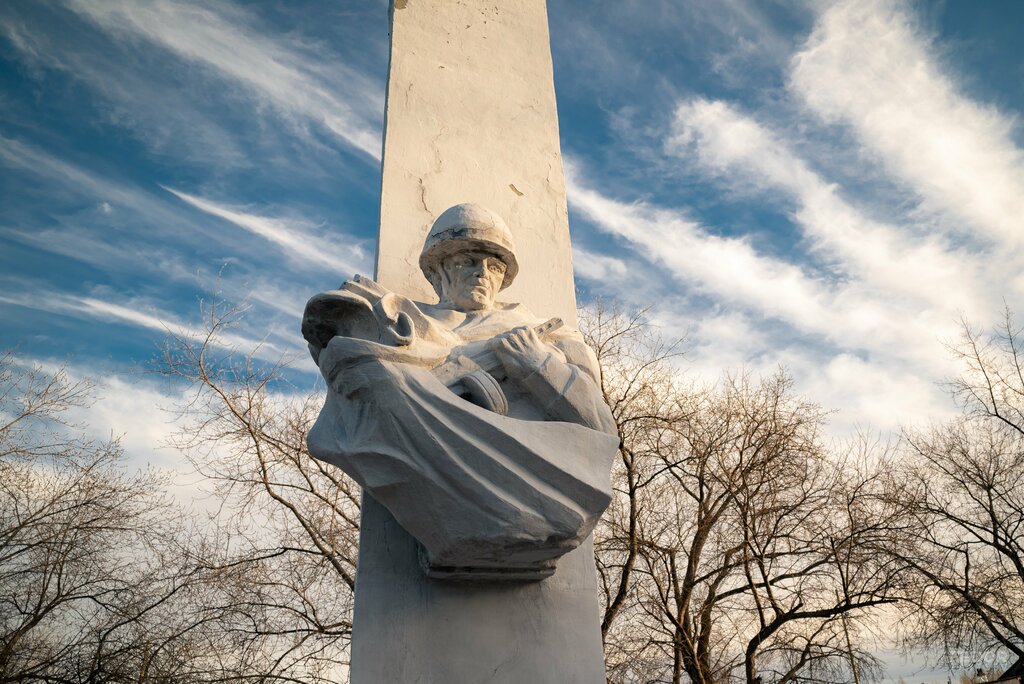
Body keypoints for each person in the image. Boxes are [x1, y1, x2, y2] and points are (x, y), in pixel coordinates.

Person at [302, 204, 617, 580]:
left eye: (494, 266)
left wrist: (537, 366)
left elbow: (600, 429)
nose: (482, 272)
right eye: (467, 260)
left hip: (540, 488)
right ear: (437, 270)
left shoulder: (548, 335)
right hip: (435, 478)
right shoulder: (402, 328)